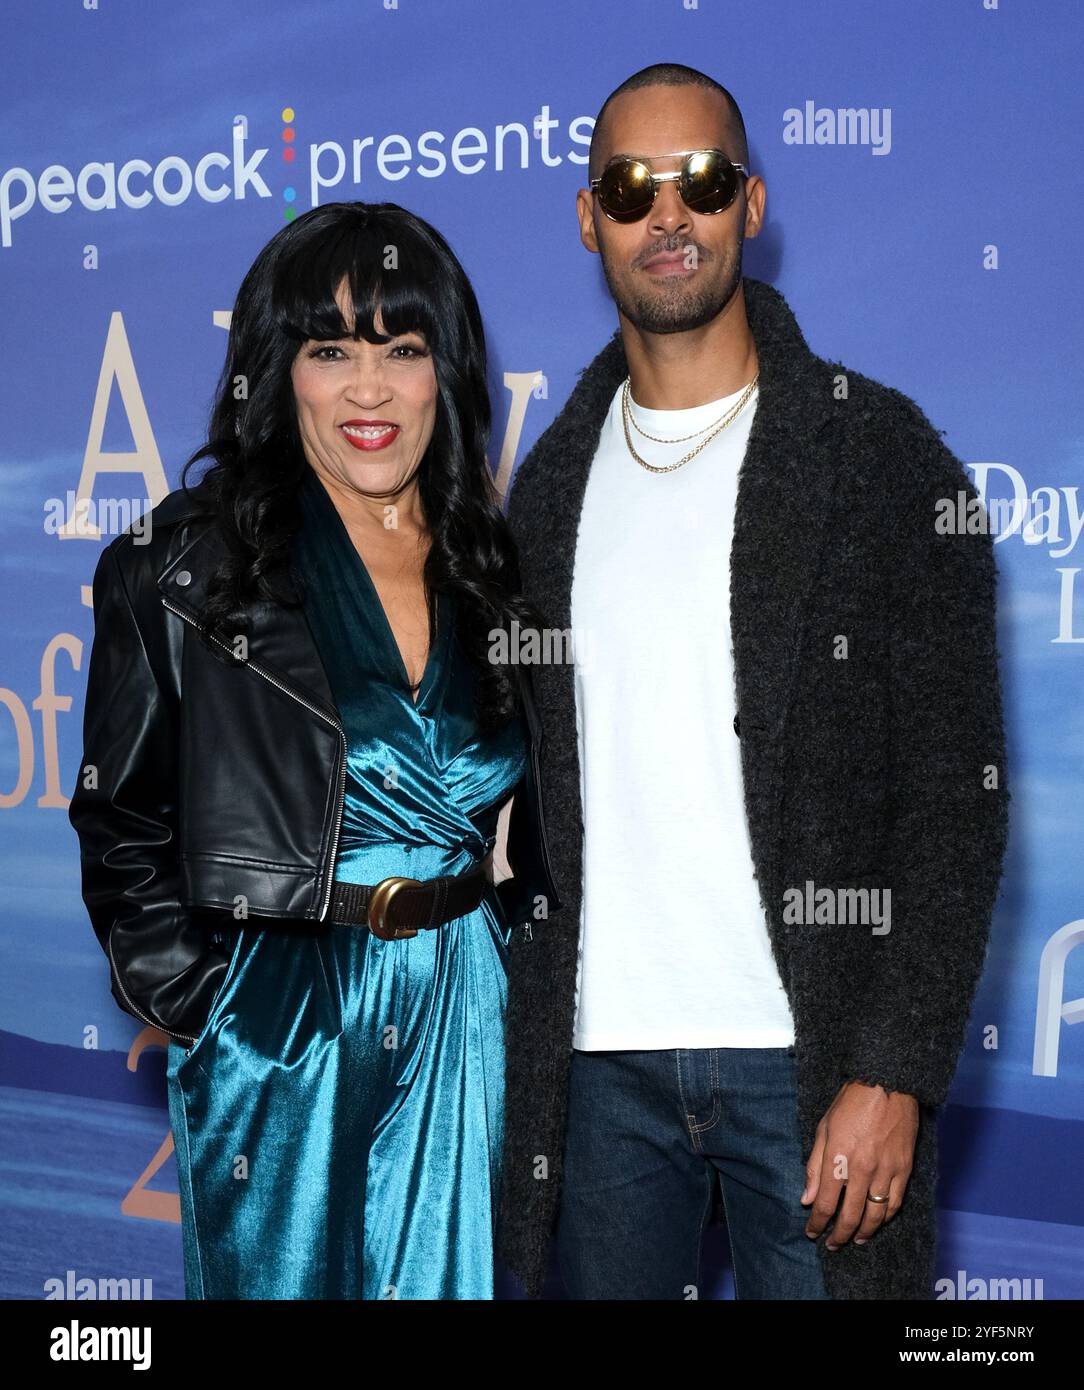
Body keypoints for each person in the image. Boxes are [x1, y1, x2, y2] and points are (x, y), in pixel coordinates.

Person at [496, 64, 1009, 1300]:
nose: (666, 215)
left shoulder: (880, 456)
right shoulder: (546, 492)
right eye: (630, 188)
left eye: (702, 182)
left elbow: (956, 793)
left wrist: (894, 1070)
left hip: (815, 1063)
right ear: (586, 218)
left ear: (752, 203)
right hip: (595, 1070)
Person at [68, 201, 559, 1300]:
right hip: (284, 1008)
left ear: (449, 371)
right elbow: (121, 819)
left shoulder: (497, 570)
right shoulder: (181, 567)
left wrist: (523, 969)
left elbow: (544, 824)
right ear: (275, 370)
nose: (369, 389)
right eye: (329, 350)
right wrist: (212, 1008)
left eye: (403, 348)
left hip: (466, 1006)